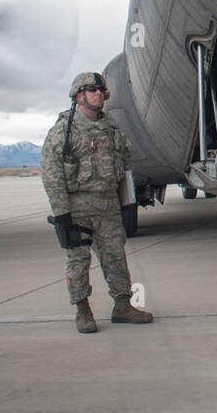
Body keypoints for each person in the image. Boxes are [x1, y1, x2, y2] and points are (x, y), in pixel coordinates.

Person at [41, 71, 153, 333]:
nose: (99, 94)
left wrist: (127, 202)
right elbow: (51, 172)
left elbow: (124, 163)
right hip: (78, 206)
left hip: (107, 204)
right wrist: (61, 214)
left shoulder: (110, 127)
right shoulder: (65, 129)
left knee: (115, 255)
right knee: (78, 260)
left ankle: (123, 305)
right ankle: (82, 310)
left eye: (102, 91)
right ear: (79, 96)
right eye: (93, 90)